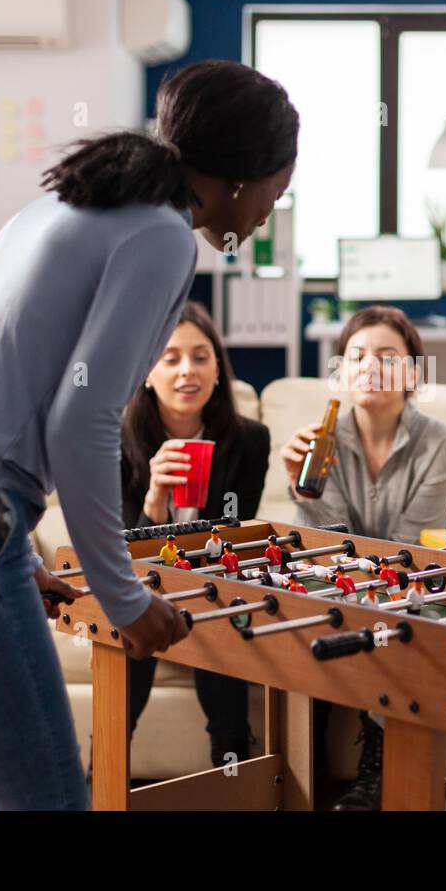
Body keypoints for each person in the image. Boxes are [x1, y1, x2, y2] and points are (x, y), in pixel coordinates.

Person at [0, 60, 298, 810]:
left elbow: (7, 388)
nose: (275, 205)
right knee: (49, 797)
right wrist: (125, 598)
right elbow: (81, 417)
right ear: (243, 176)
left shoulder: (66, 204)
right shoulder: (163, 235)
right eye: (279, 183)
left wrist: (8, 552)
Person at [280, 305, 446, 810]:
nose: (370, 366)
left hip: (411, 587)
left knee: (404, 613)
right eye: (356, 356)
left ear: (413, 373)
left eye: (388, 355)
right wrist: (305, 491)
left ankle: (382, 767)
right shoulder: (322, 441)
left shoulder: (441, 445)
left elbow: (406, 551)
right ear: (340, 371)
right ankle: (300, 773)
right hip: (340, 582)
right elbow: (329, 543)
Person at [118, 300, 271, 771]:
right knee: (134, 629)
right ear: (146, 372)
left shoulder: (250, 440)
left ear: (218, 371)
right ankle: (96, 785)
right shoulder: (113, 444)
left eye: (201, 357)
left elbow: (229, 539)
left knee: (217, 620)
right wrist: (155, 502)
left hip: (210, 587)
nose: (188, 371)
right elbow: (122, 554)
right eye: (171, 358)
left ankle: (233, 781)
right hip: (138, 586)